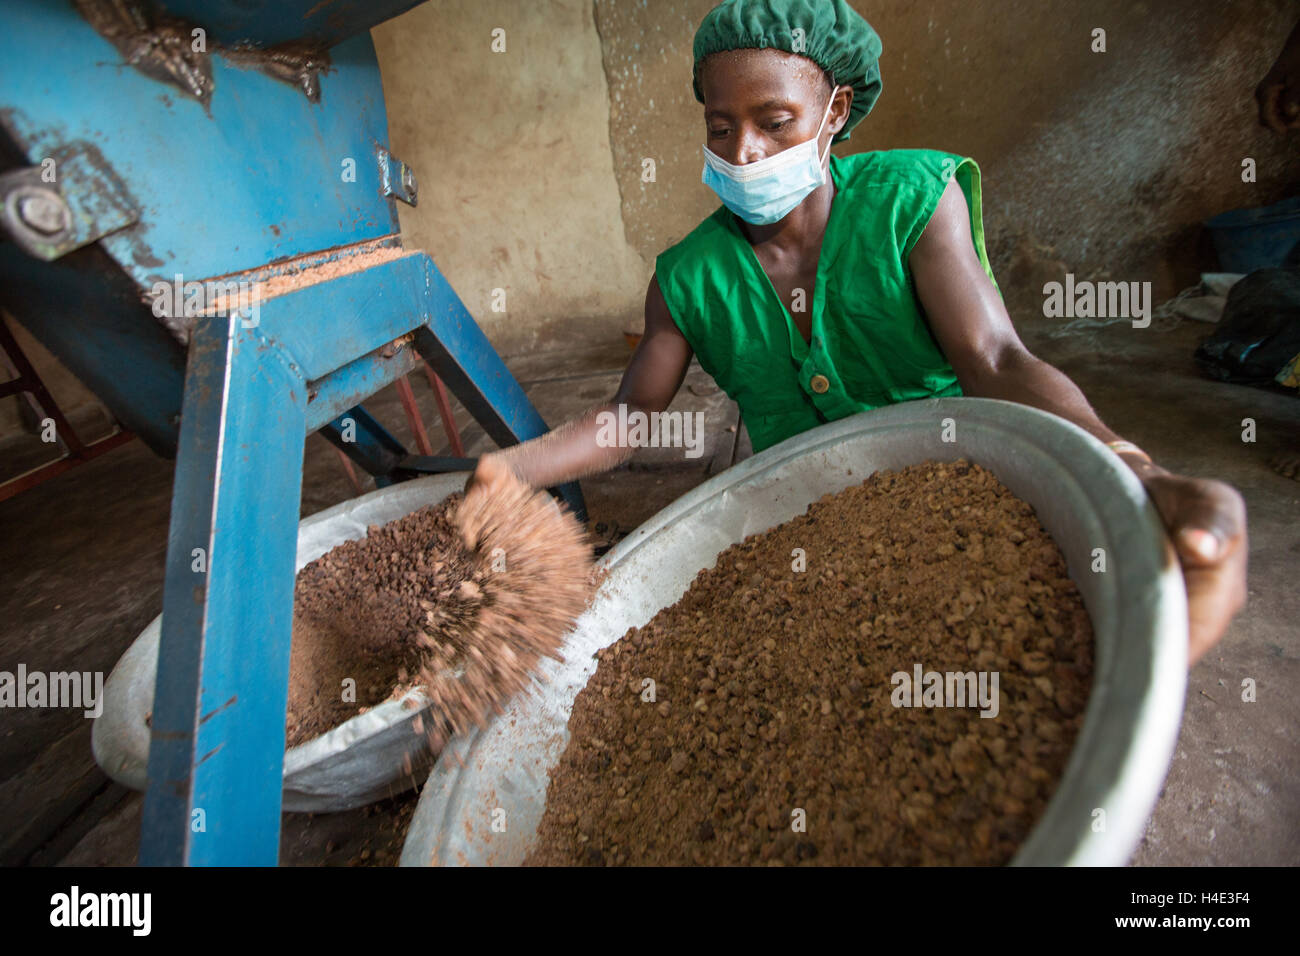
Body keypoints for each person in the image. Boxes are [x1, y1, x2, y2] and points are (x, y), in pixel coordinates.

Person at [470, 0, 1246, 666]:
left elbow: (995, 357)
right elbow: (635, 416)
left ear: (834, 113)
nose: (744, 153)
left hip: (955, 478)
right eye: (720, 126)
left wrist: (1128, 466)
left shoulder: (911, 201)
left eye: (776, 124)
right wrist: (515, 467)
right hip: (807, 518)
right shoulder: (687, 279)